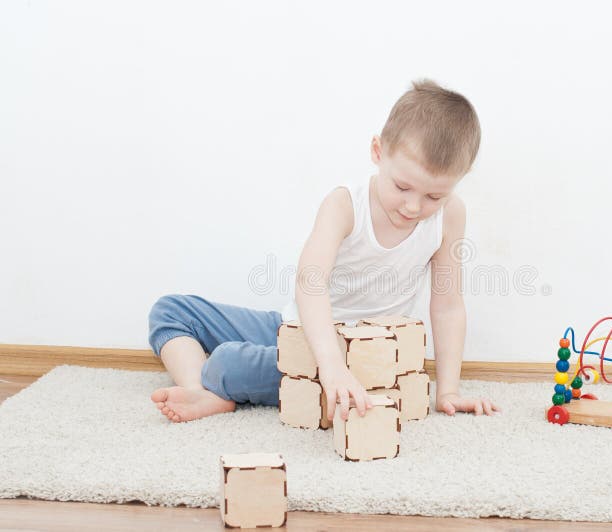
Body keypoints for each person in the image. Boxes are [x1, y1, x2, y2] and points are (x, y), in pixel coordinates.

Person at [148, 79, 500, 423]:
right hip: (305, 329)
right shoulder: (345, 205)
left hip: (362, 356)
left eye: (433, 196)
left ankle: (219, 382)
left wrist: (448, 391)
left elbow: (448, 306)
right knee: (171, 311)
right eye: (402, 186)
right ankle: (200, 389)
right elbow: (310, 284)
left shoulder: (450, 216)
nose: (412, 206)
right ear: (378, 152)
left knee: (227, 362)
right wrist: (329, 366)